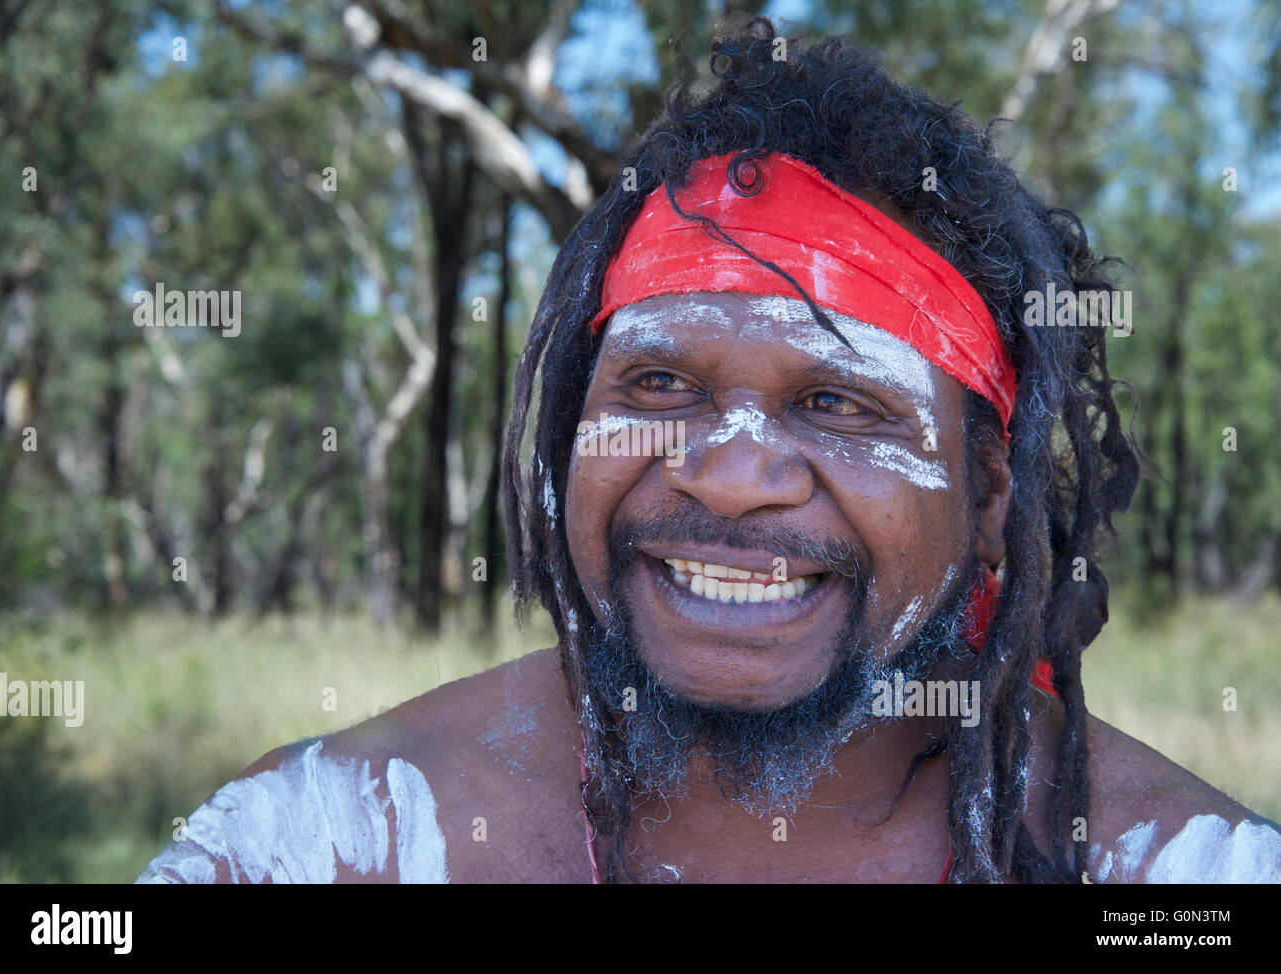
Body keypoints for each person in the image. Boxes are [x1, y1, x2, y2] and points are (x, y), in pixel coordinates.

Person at [137, 16, 1281, 884]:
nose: (727, 474)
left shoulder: (1175, 870)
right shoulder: (327, 841)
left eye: (837, 402)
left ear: (987, 496)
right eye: (660, 384)